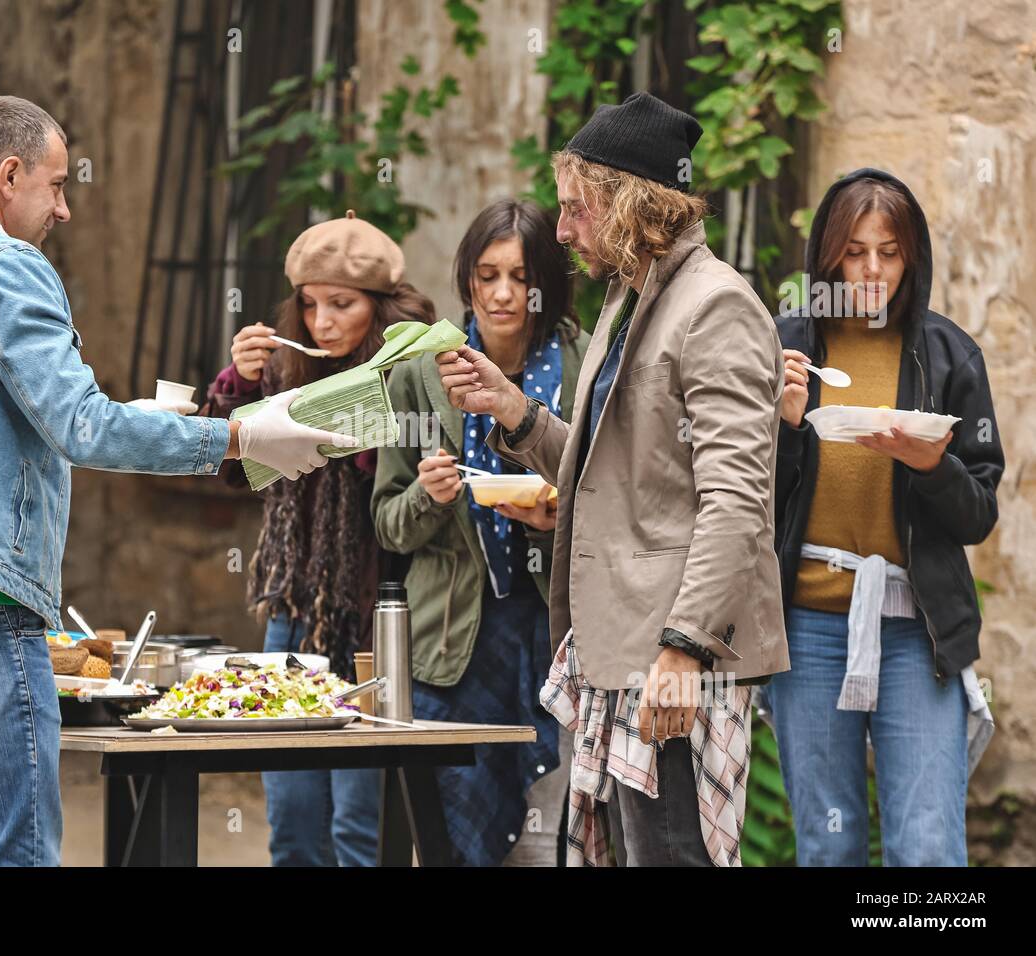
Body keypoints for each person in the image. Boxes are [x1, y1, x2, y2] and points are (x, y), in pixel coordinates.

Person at [0, 95, 351, 866]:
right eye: (57, 184)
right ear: (9, 177)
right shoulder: (6, 265)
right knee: (18, 854)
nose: (65, 209)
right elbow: (85, 426)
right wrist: (239, 435)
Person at [438, 92, 788, 866]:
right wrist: (515, 411)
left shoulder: (715, 306)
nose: (561, 231)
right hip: (626, 649)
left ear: (630, 203)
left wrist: (683, 649)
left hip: (671, 658)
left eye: (575, 210)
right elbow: (608, 476)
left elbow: (737, 501)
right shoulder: (631, 298)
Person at [767, 169, 1002, 866]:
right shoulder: (786, 349)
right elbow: (743, 499)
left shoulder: (948, 353)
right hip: (806, 629)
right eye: (855, 250)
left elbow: (979, 513)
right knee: (829, 846)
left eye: (889, 251)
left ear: (912, 258)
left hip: (916, 632)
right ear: (827, 257)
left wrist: (932, 465)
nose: (872, 269)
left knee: (927, 848)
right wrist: (782, 427)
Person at [202, 210, 436, 867]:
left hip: (372, 623)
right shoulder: (282, 371)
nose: (322, 322)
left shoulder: (410, 373)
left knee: (357, 831)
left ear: (380, 310)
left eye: (342, 305)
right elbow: (231, 470)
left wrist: (367, 405)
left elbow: (408, 486)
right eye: (309, 306)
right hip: (291, 614)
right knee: (293, 824)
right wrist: (241, 381)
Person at [372, 199, 587, 866]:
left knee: (551, 836)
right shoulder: (418, 373)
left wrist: (556, 521)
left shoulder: (585, 369)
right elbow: (387, 524)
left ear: (544, 284)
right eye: (487, 275)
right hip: (452, 643)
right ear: (467, 280)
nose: (503, 294)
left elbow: (618, 510)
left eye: (521, 277)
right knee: (453, 838)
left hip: (558, 635)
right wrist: (430, 497)